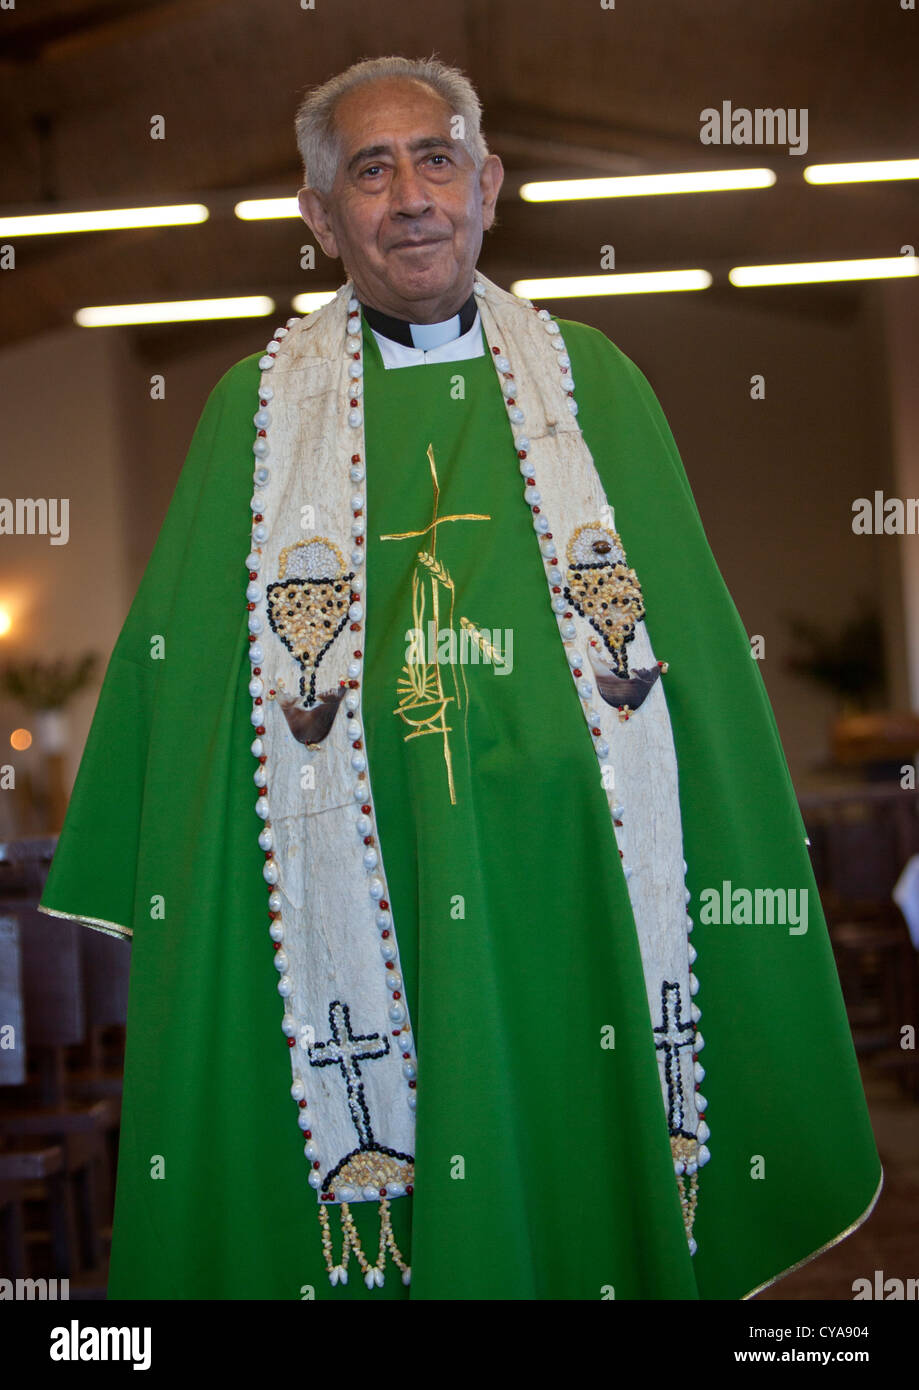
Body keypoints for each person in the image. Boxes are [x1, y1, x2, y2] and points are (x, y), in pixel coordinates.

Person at [39, 55, 881, 1301]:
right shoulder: (253, 417)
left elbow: (692, 670)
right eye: (369, 171)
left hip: (571, 888)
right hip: (349, 896)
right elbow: (196, 712)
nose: (411, 195)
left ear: (489, 185)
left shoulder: (594, 387)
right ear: (320, 219)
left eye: (436, 159)